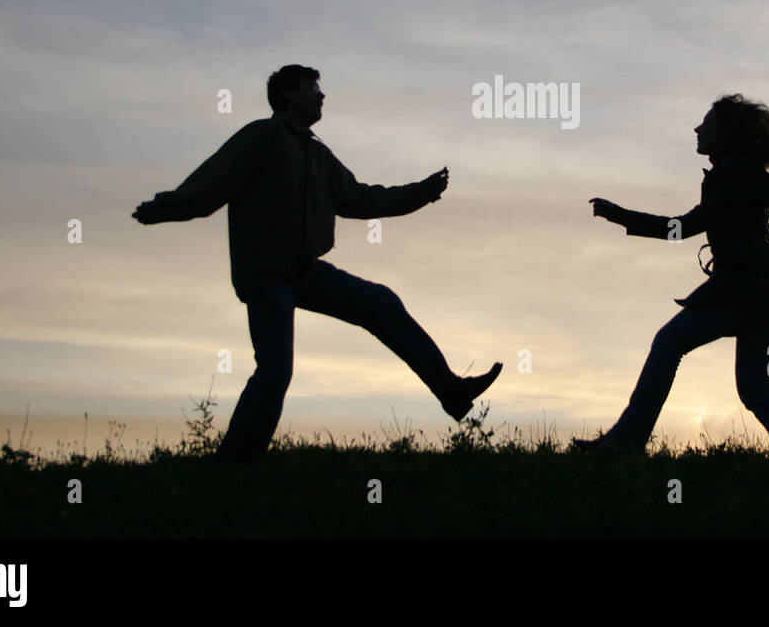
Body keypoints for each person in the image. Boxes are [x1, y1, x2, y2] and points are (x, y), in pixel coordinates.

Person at [132, 64, 501, 463]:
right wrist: (166, 207)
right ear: (287, 95)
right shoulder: (263, 136)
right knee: (275, 371)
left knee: (380, 303)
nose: (321, 95)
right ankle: (233, 465)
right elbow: (213, 182)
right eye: (312, 88)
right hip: (266, 274)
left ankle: (451, 390)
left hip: (305, 271)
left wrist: (422, 192)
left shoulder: (318, 155)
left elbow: (361, 199)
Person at [572, 94, 769, 457]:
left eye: (706, 124)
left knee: (668, 344)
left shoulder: (738, 175)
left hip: (743, 292)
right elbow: (683, 228)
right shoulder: (728, 179)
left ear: (725, 134)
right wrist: (622, 216)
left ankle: (626, 441)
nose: (697, 129)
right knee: (756, 389)